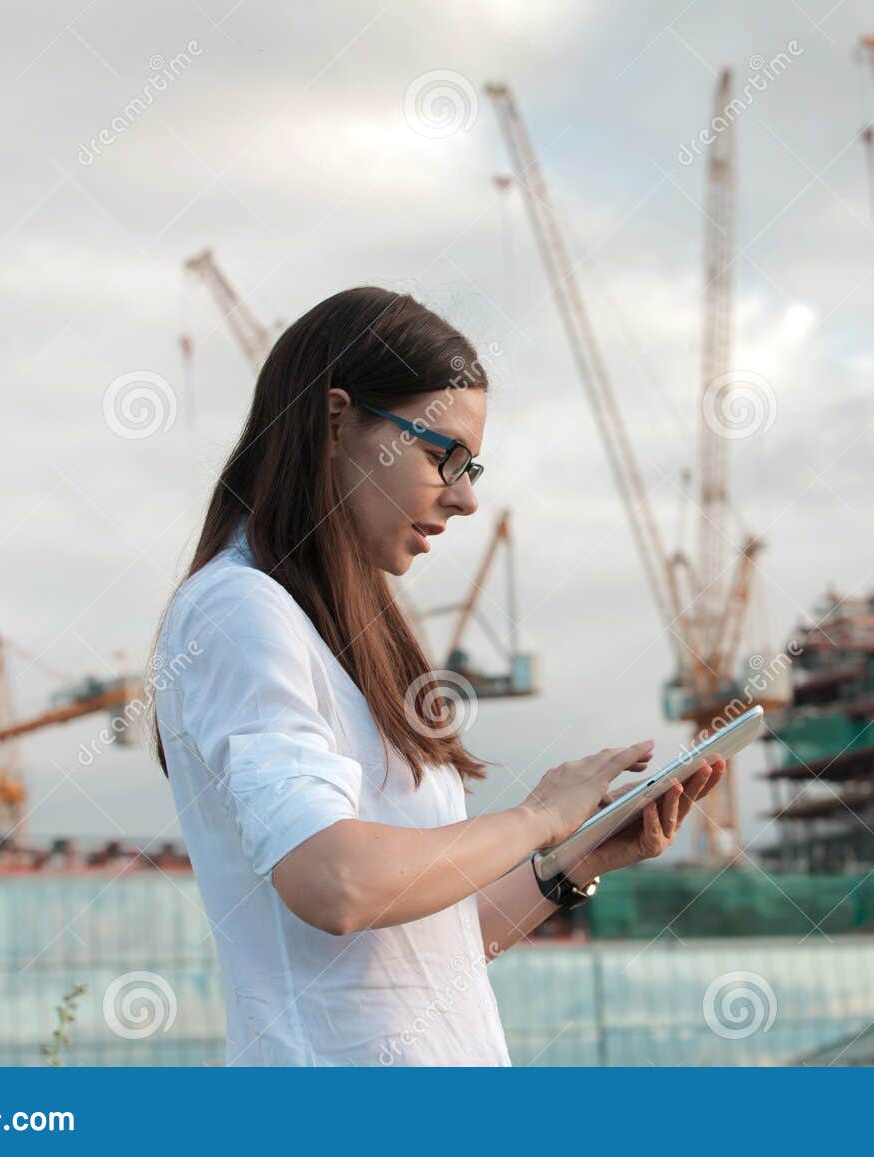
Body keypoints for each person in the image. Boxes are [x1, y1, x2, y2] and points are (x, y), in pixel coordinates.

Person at [147, 286, 725, 1066]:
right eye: (440, 454)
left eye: (472, 465)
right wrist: (538, 817)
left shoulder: (345, 629)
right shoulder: (238, 610)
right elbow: (336, 884)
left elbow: (422, 949)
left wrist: (570, 860)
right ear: (336, 420)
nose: (466, 498)